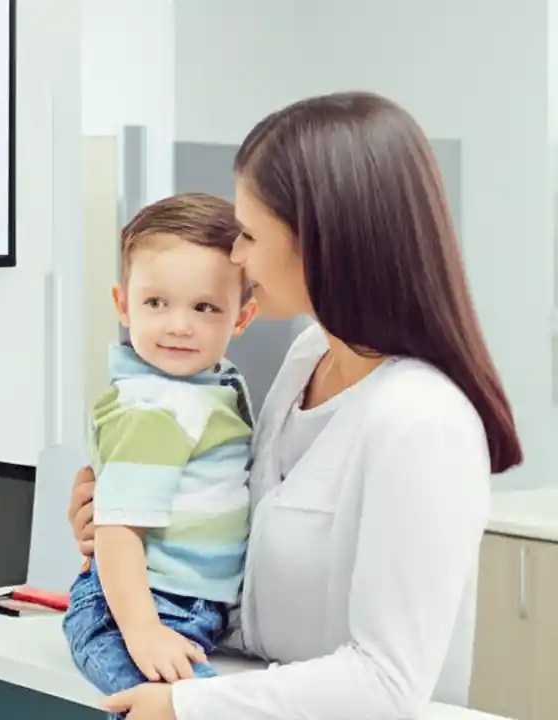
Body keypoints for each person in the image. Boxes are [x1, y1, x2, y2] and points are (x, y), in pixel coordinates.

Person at [68, 91, 523, 720]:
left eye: (249, 233)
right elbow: (246, 537)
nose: (236, 256)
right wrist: (127, 516)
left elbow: (387, 683)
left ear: (320, 238)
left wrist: (188, 706)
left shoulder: (422, 421)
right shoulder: (309, 355)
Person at [63, 193, 258, 708]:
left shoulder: (212, 388)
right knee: (170, 709)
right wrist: (143, 631)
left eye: (204, 307)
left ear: (242, 317)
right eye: (156, 303)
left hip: (187, 610)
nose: (178, 324)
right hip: (135, 609)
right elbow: (119, 528)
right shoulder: (154, 405)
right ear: (123, 304)